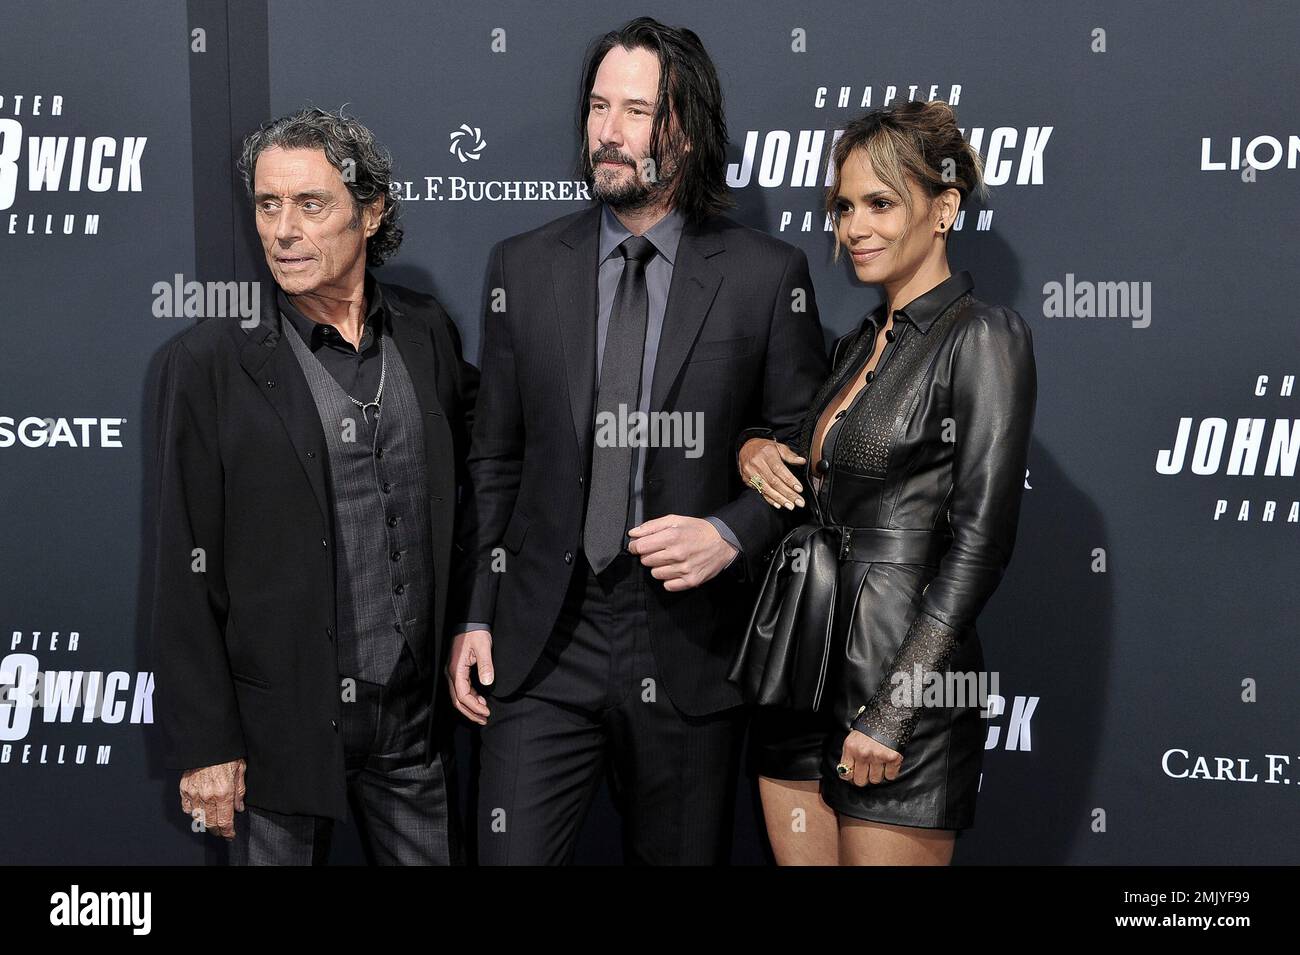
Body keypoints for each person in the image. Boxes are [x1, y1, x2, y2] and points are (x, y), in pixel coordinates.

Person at [447, 17, 828, 864]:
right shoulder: (521, 266)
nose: (608, 132)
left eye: (636, 111)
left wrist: (729, 532)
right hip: (544, 635)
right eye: (597, 106)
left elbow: (807, 455)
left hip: (690, 641)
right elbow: (495, 459)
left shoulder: (766, 277)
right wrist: (477, 611)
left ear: (684, 131)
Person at [150, 107, 478, 865]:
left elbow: (486, 475)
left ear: (371, 212)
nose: (283, 231)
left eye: (310, 204)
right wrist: (207, 745)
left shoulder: (426, 331)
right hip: (279, 727)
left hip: (412, 720)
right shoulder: (211, 363)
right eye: (268, 205)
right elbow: (183, 564)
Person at [731, 101, 1037, 865]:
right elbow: (809, 475)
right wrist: (752, 449)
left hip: (897, 687)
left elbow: (980, 545)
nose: (854, 227)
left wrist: (896, 707)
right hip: (801, 674)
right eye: (843, 207)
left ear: (944, 209)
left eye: (880, 203)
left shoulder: (983, 337)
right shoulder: (855, 345)